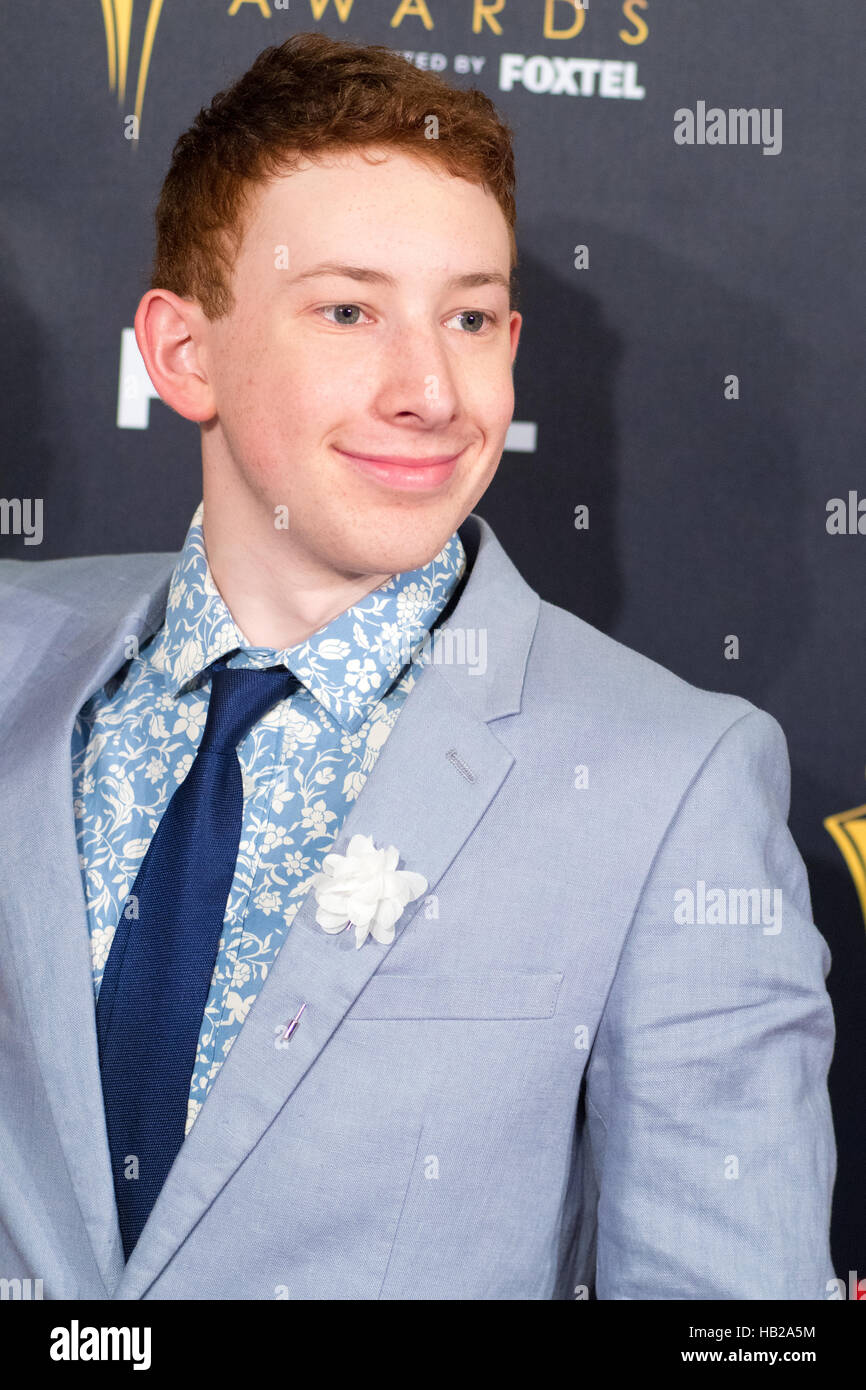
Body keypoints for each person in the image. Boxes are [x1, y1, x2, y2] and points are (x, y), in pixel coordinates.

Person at [0, 31, 835, 1300]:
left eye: (467, 317)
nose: (431, 389)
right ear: (183, 353)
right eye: (347, 309)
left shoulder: (672, 785)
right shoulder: (15, 654)